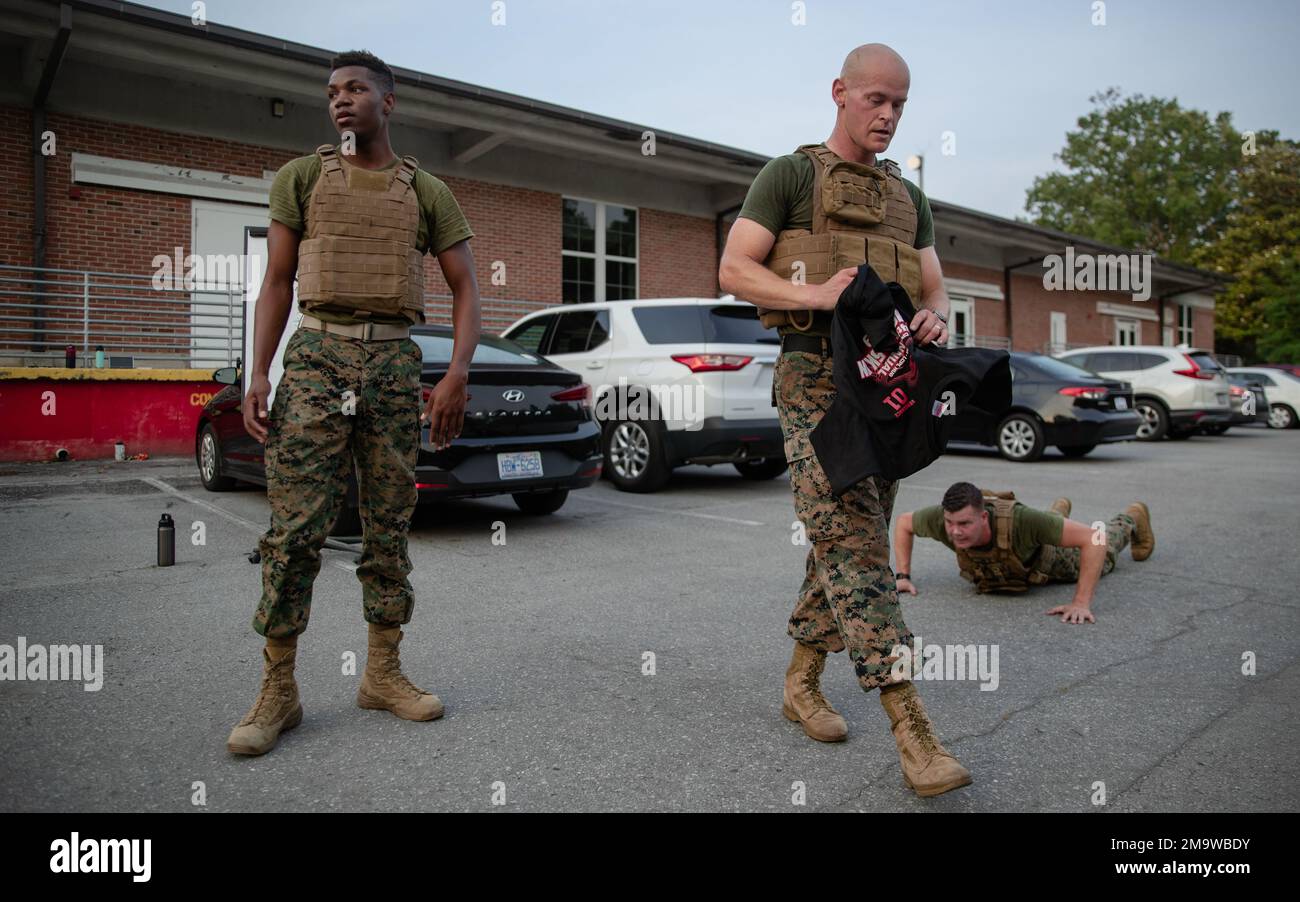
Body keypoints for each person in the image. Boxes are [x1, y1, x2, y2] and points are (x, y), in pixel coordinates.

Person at [719, 43, 970, 798]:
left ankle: (800, 682)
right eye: (875, 101)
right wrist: (816, 296)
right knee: (855, 544)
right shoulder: (790, 175)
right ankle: (911, 726)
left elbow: (934, 290)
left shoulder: (907, 196)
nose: (888, 116)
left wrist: (932, 322)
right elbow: (734, 268)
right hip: (810, 380)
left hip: (882, 385)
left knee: (837, 542)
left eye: (900, 104)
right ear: (840, 93)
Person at [227, 50, 481, 756]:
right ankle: (280, 689)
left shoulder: (425, 190)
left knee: (390, 522)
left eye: (356, 89)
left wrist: (457, 371)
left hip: (395, 362)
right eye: (332, 91)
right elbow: (277, 282)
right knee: (296, 526)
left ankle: (383, 673)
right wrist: (259, 372)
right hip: (316, 355)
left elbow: (466, 288)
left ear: (387, 102)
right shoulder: (303, 177)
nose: (341, 100)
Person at [892, 483, 1155, 624]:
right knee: (1046, 526)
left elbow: (1093, 539)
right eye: (950, 523)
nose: (955, 532)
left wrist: (1080, 603)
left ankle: (1130, 517)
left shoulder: (1020, 521)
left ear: (984, 517)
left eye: (964, 524)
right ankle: (1057, 515)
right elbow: (904, 523)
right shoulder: (942, 520)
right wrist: (903, 575)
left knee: (1105, 555)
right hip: (1035, 535)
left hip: (1052, 561)